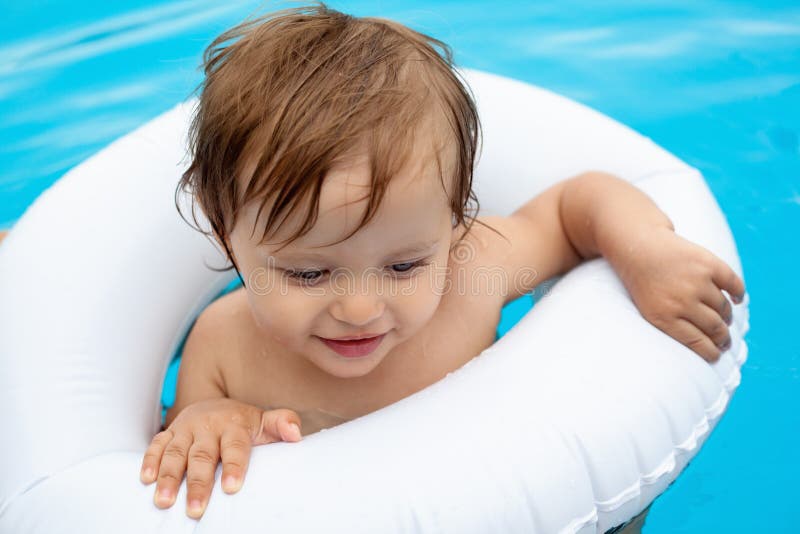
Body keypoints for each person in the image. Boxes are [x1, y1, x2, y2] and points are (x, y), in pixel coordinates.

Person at [139, 3, 745, 521]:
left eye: (403, 266)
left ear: (454, 223)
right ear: (225, 238)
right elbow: (187, 447)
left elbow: (573, 204)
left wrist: (646, 250)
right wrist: (216, 420)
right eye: (308, 273)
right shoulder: (223, 345)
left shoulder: (472, 272)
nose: (358, 308)